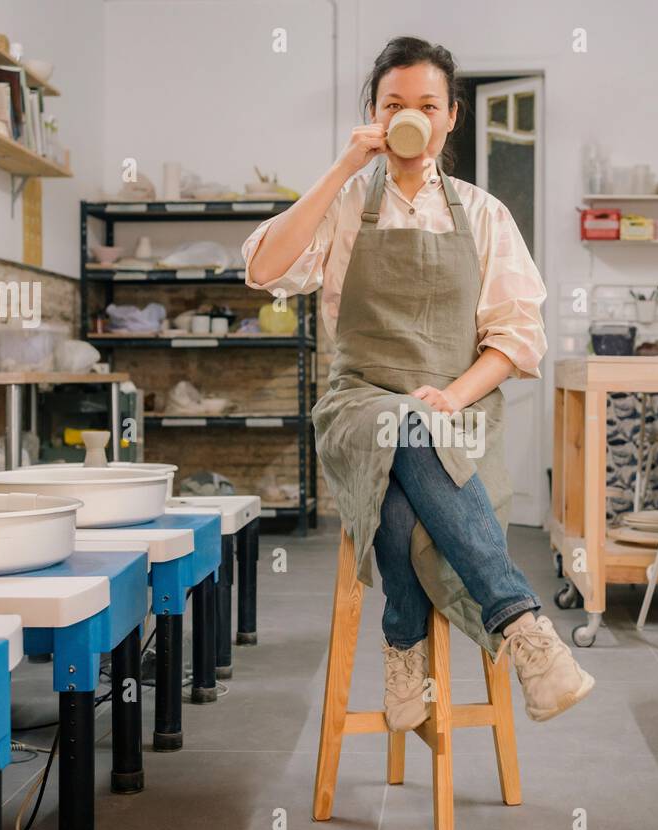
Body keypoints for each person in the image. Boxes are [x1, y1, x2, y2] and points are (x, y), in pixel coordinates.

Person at [244, 36, 593, 729]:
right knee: (398, 422)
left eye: (429, 105)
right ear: (375, 114)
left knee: (403, 477)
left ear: (451, 116)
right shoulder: (345, 202)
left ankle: (402, 643)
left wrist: (452, 397)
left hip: (459, 410)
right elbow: (263, 268)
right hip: (358, 402)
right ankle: (523, 626)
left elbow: (516, 338)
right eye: (394, 105)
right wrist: (345, 165)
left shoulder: (484, 213)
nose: (413, 118)